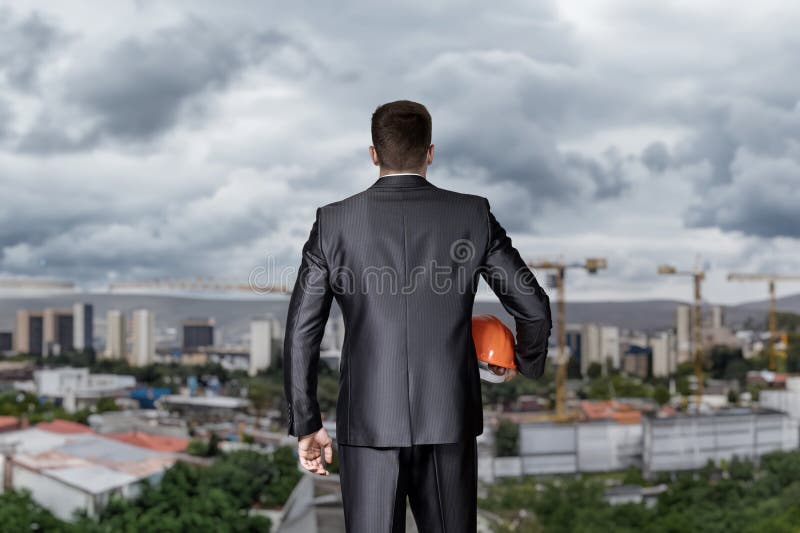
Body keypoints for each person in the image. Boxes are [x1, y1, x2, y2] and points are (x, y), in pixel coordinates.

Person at [283, 100, 552, 532]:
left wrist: (307, 422)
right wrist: (527, 362)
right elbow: (534, 307)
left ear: (373, 153)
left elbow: (301, 334)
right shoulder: (473, 214)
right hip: (449, 418)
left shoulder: (333, 223)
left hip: (368, 424)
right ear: (430, 152)